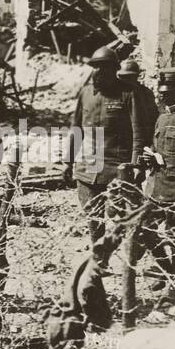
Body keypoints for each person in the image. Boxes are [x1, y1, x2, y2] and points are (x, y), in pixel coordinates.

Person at [68, 46, 150, 243]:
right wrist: (67, 161)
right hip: (87, 170)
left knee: (122, 218)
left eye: (103, 68)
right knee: (93, 219)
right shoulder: (85, 93)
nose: (97, 72)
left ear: (114, 69)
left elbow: (138, 132)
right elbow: (75, 128)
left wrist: (137, 165)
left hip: (117, 171)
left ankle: (129, 259)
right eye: (95, 67)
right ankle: (99, 263)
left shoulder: (128, 94)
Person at [138, 67, 175, 305]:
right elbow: (158, 150)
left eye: (167, 91)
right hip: (157, 187)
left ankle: (174, 289)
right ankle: (167, 273)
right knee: (145, 231)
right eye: (160, 91)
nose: (161, 96)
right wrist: (150, 157)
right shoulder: (162, 118)